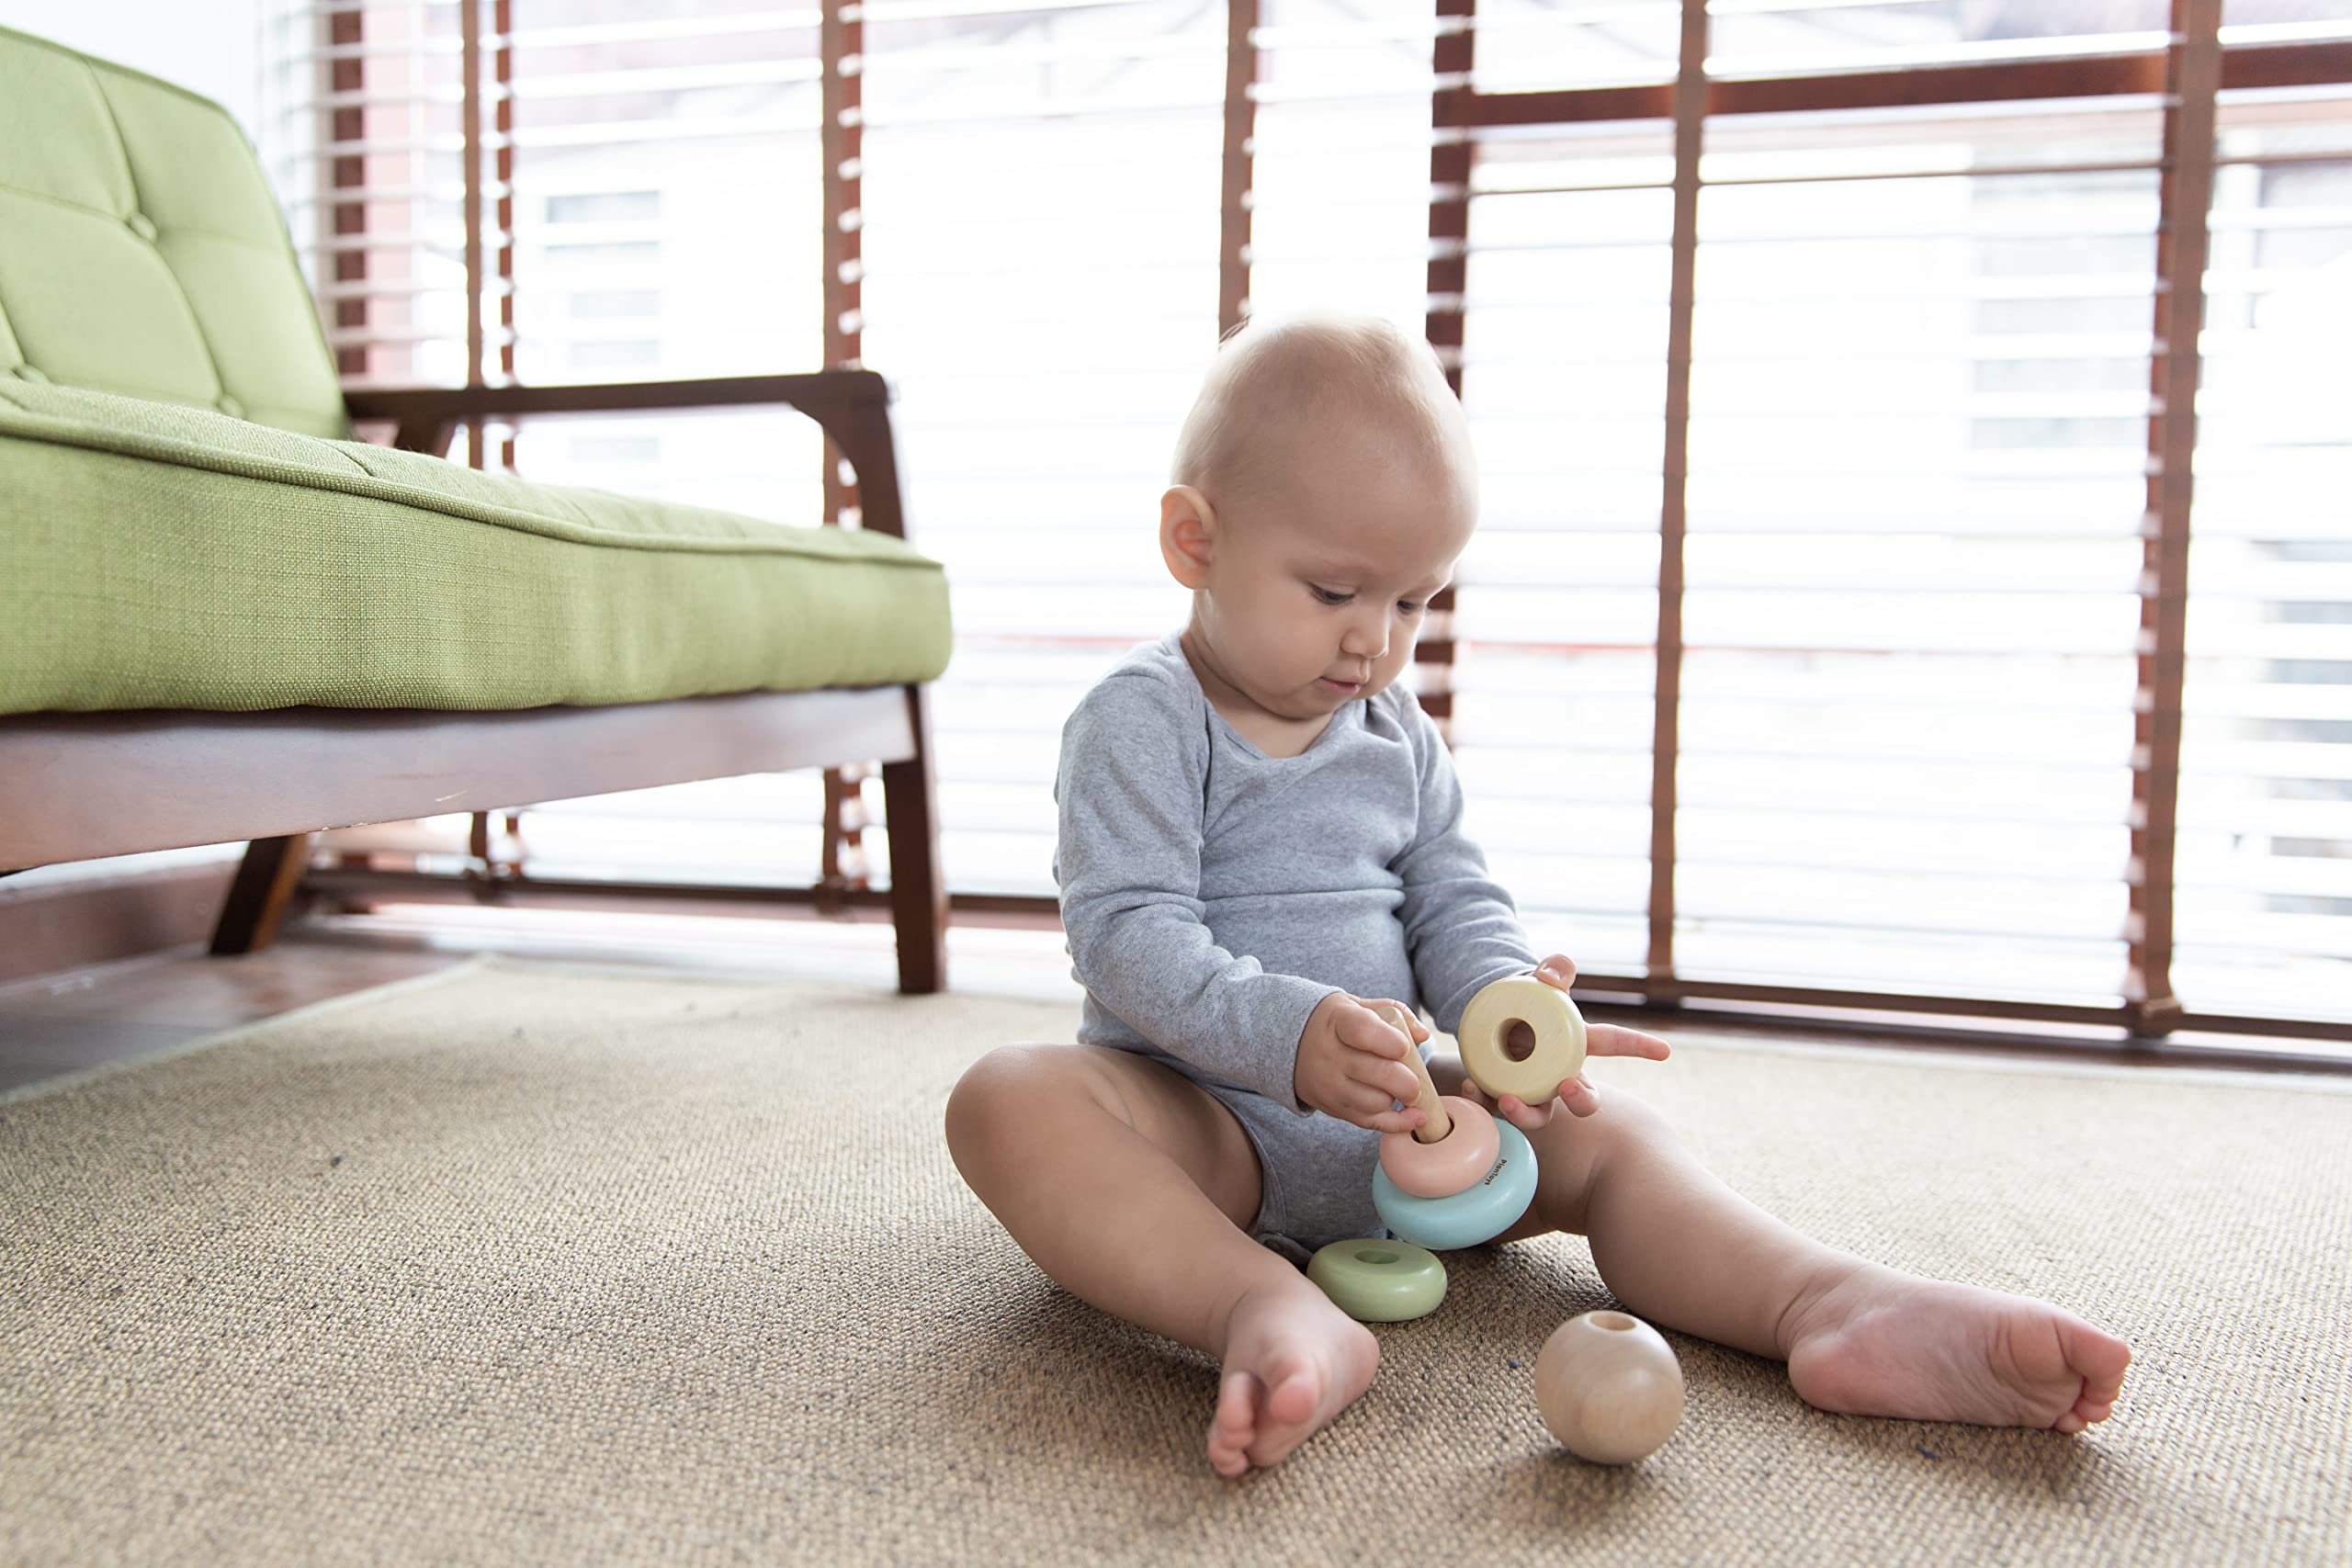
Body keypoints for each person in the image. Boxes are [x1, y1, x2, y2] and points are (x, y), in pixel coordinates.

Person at [944, 311, 2132, 1479]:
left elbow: (1452, 896)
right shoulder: (1144, 717)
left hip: (1415, 1125)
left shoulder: (1393, 730)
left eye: (1414, 602)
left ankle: (1829, 1303)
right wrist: (1291, 1036)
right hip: (1207, 1127)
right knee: (1010, 1100)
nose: (1375, 642)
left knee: (1614, 1135)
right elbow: (1128, 936)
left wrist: (1505, 1005)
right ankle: (1261, 1306)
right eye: (1335, 590)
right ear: (1195, 542)